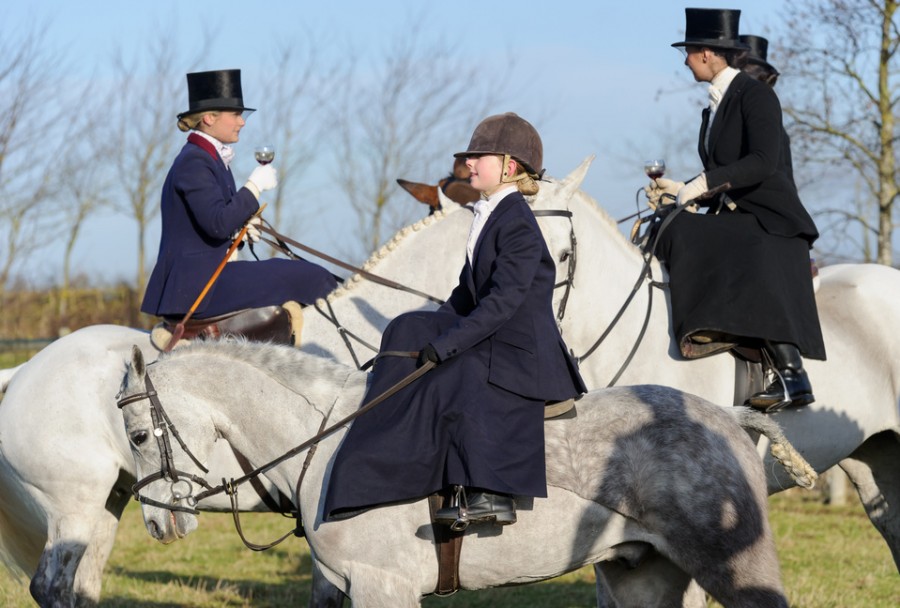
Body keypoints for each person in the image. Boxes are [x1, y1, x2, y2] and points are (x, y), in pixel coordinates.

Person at [324, 113, 586, 527]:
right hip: (499, 335)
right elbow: (465, 294)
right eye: (470, 157)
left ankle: (491, 494)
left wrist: (446, 345)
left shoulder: (517, 223)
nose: (468, 164)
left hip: (521, 352)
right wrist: (428, 332)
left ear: (509, 167)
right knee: (407, 327)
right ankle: (370, 467)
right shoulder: (492, 214)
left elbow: (502, 303)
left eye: (479, 157)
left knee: (458, 371)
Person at [645, 9, 826, 411]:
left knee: (680, 230)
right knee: (663, 223)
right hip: (735, 213)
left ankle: (792, 374)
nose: (685, 61)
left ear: (706, 53)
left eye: (687, 53)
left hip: (771, 219)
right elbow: (725, 173)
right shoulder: (712, 107)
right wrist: (683, 190)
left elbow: (762, 162)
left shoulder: (756, 95)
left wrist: (703, 184)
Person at [141, 69, 337, 321]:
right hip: (198, 287)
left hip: (207, 278)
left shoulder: (209, 158)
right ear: (209, 118)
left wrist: (241, 229)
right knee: (313, 277)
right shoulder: (194, 161)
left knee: (309, 273)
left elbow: (209, 224)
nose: (242, 122)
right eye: (235, 115)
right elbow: (217, 223)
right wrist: (254, 186)